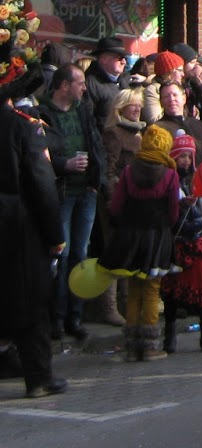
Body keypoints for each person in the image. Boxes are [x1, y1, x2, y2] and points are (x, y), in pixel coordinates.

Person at [0, 17, 68, 398]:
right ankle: (38, 378)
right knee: (31, 306)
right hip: (16, 226)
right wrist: (55, 237)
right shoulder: (23, 127)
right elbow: (41, 185)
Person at [99, 123, 180, 362]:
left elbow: (115, 206)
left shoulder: (128, 171)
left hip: (131, 235)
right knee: (152, 290)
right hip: (156, 236)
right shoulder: (170, 174)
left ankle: (132, 345)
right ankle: (151, 345)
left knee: (133, 289)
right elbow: (173, 211)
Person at [35, 63, 104, 339]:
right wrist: (65, 164)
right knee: (60, 255)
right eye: (80, 83)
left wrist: (96, 183)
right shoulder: (42, 114)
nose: (84, 88)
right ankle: (57, 318)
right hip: (61, 193)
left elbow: (96, 145)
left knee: (80, 254)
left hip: (85, 192)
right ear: (64, 86)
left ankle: (75, 317)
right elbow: (38, 156)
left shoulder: (84, 111)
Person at [160, 131, 202, 355]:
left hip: (198, 246)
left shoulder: (200, 181)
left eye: (189, 156)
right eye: (182, 156)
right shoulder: (167, 182)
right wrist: (180, 206)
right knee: (172, 298)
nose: (185, 161)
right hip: (177, 248)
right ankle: (169, 339)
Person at [93, 89, 148, 331]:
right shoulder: (114, 134)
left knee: (131, 253)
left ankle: (129, 305)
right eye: (132, 105)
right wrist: (111, 202)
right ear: (121, 107)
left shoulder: (140, 133)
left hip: (136, 202)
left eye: (139, 105)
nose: (136, 109)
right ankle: (110, 307)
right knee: (115, 253)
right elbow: (109, 171)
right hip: (117, 202)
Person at [151, 79, 202, 165]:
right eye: (166, 96)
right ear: (161, 102)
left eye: (175, 95)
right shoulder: (157, 130)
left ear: (184, 98)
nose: (171, 99)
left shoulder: (199, 125)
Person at [83, 35, 128, 129]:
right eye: (120, 58)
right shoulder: (91, 83)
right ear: (104, 59)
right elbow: (88, 119)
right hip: (105, 140)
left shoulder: (125, 81)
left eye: (125, 58)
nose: (124, 62)